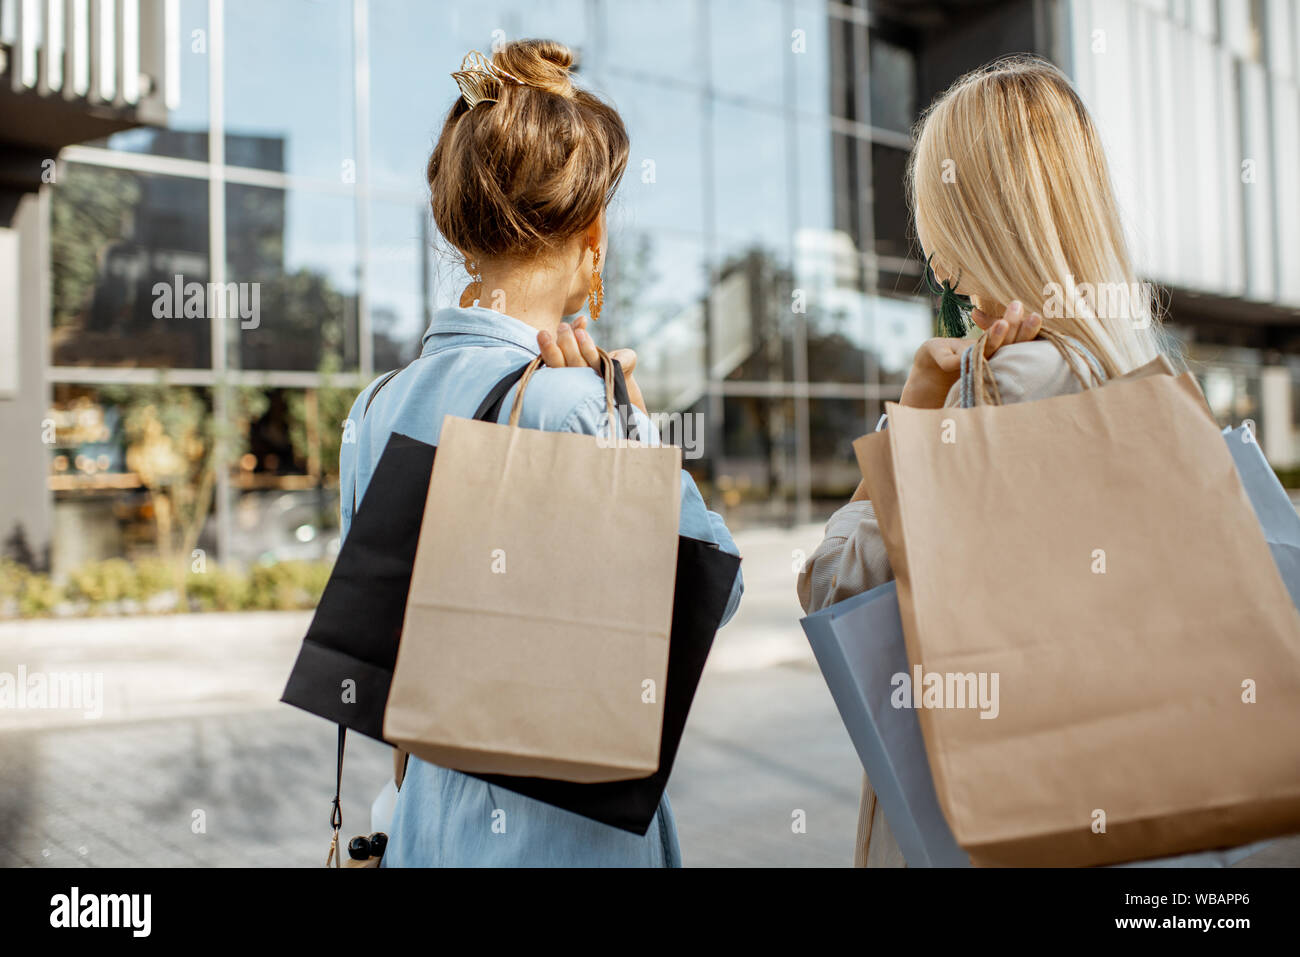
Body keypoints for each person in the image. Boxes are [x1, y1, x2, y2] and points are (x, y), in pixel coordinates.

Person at [342, 39, 743, 867]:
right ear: (592, 234)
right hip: (562, 842)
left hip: (423, 832)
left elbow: (387, 673)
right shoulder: (574, 400)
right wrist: (630, 420)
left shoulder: (374, 409)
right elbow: (712, 588)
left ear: (460, 230)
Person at [796, 55, 1170, 867]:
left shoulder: (1003, 388)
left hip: (982, 822)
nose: (934, 264)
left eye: (935, 220)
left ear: (975, 217)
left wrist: (921, 394)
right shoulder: (1134, 381)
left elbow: (833, 582)